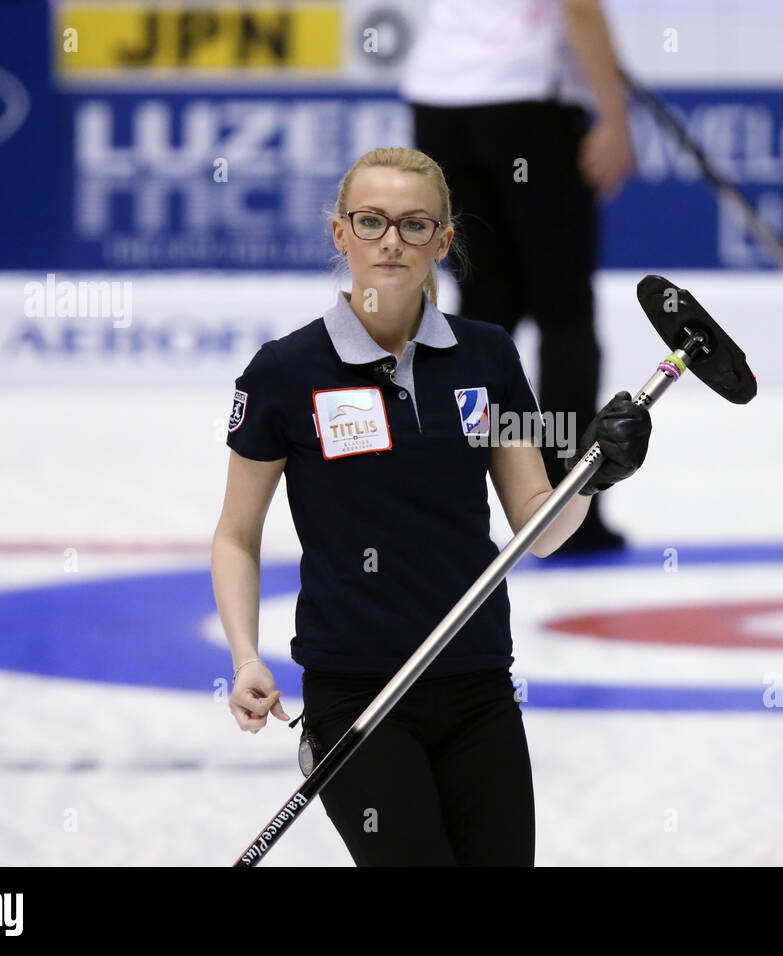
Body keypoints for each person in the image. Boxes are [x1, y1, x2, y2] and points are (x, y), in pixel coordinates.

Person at [210, 147, 651, 866]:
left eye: (415, 226)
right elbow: (235, 535)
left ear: (443, 243)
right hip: (355, 694)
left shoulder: (489, 357)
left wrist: (596, 475)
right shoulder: (285, 372)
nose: (392, 240)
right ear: (339, 234)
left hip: (477, 686)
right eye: (371, 221)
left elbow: (535, 527)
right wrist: (244, 655)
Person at [399, 0, 638, 549]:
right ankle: (565, 510)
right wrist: (616, 117)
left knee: (484, 309)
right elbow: (579, 7)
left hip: (441, 97)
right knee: (565, 313)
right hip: (525, 100)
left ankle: (456, 503)